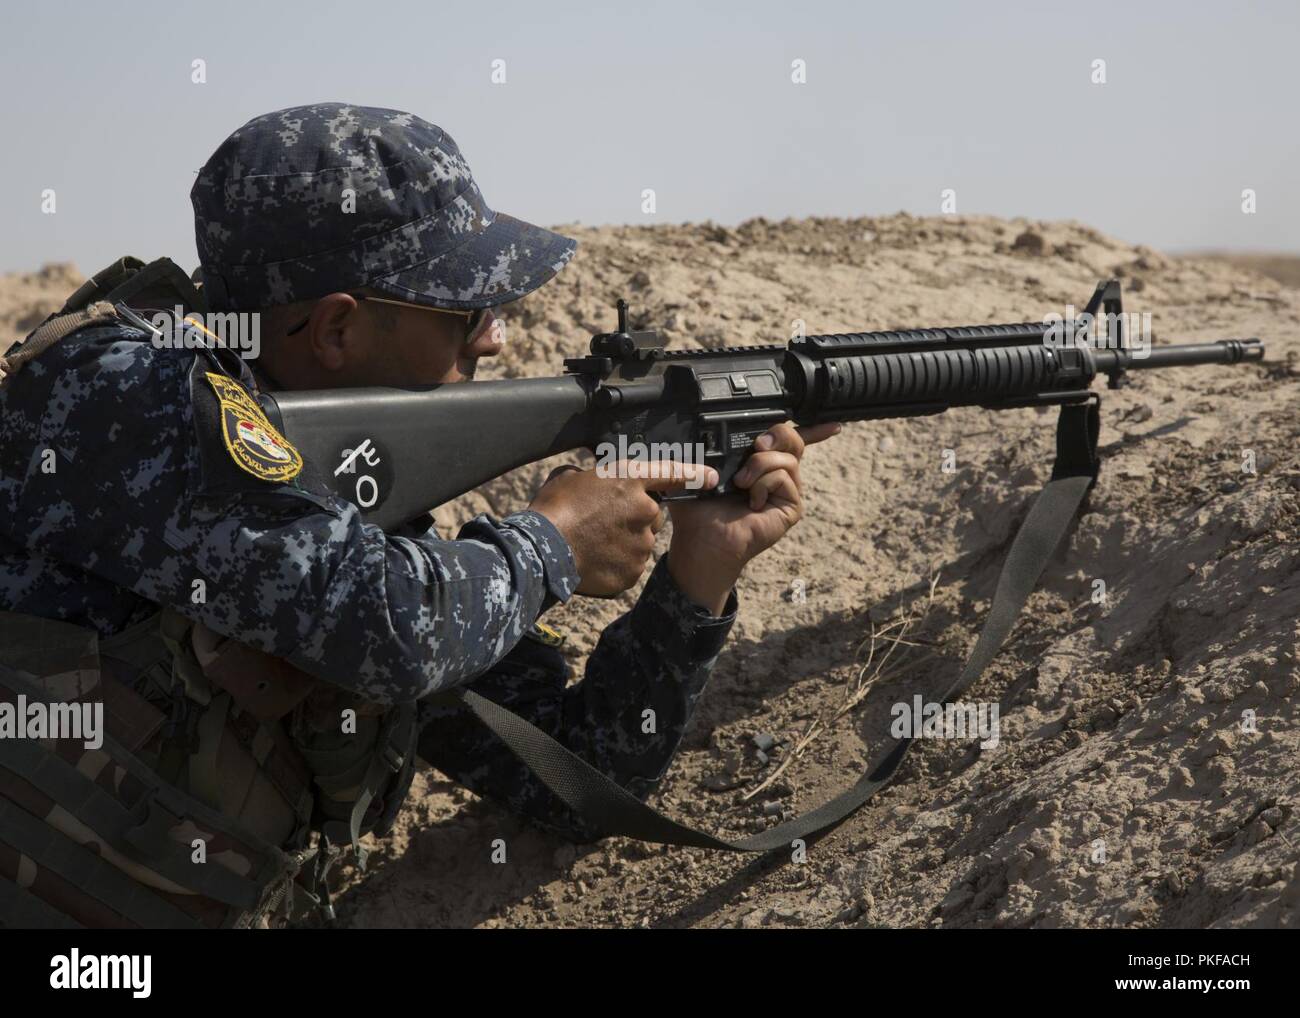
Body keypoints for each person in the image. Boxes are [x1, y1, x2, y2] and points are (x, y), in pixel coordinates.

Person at [0, 103, 836, 928]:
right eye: (466, 311)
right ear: (336, 329)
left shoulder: (345, 515)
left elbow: (579, 774)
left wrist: (699, 572)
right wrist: (551, 544)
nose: (495, 342)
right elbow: (389, 627)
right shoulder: (119, 391)